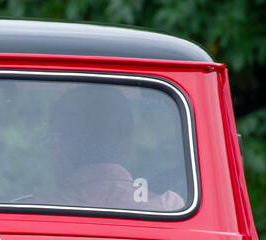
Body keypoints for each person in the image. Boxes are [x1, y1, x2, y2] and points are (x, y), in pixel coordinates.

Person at [42, 84, 186, 212]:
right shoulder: (170, 206)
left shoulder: (34, 212)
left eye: (50, 141)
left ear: (58, 146)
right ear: (127, 144)